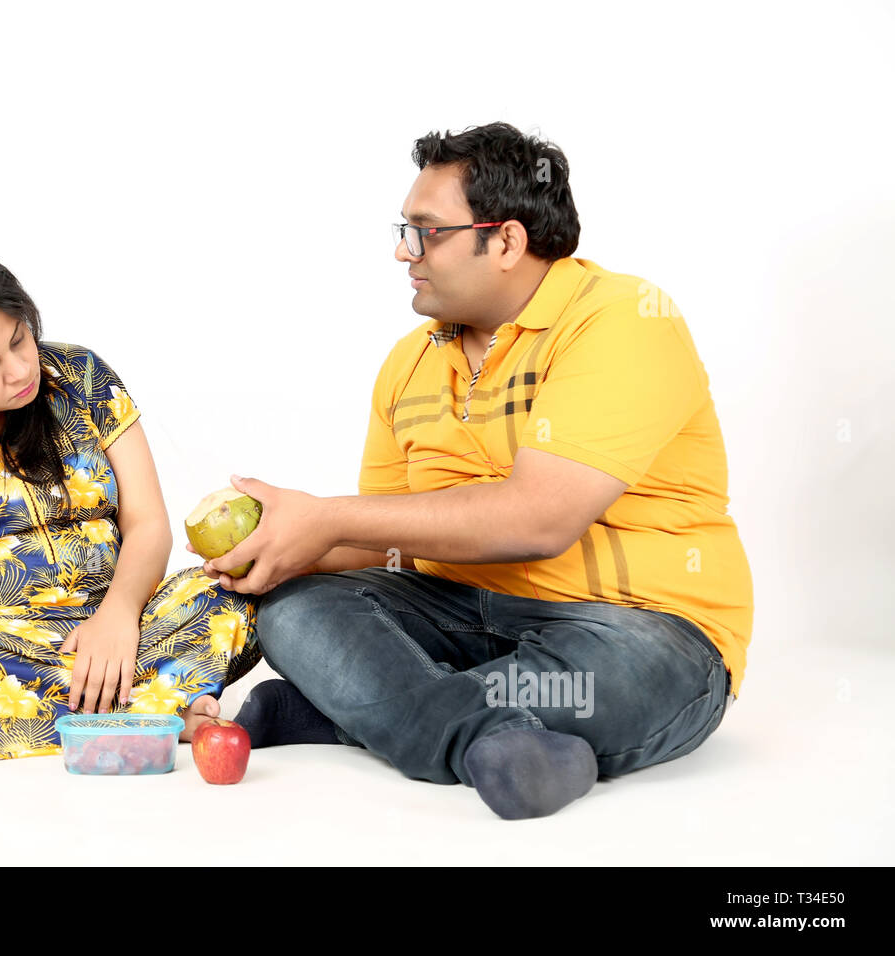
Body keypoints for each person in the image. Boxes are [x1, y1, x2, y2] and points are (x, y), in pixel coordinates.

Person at [195, 123, 753, 819]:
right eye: (405, 228)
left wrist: (326, 515)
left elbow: (540, 519)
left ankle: (353, 712)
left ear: (507, 241)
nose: (404, 251)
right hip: (459, 612)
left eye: (426, 231)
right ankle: (487, 739)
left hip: (634, 630)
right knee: (297, 607)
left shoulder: (623, 319)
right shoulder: (410, 359)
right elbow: (387, 541)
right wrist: (283, 544)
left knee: (616, 677)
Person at [0, 250, 260, 762]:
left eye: (19, 340)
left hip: (128, 625)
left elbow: (148, 524)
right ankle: (149, 709)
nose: (18, 371)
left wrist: (116, 617)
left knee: (237, 589)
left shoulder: (80, 376)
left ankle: (1, 717)